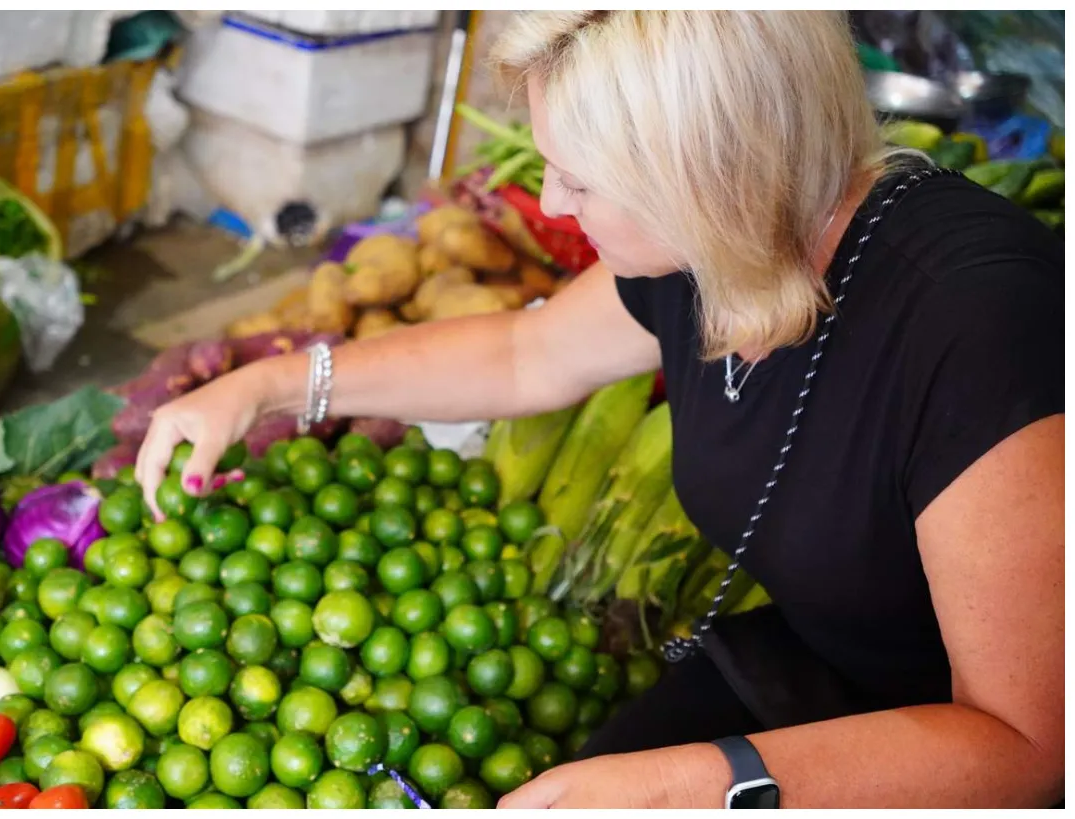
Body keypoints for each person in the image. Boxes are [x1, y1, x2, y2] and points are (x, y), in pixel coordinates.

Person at [136, 11, 1063, 809]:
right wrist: (273, 386)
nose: (548, 202)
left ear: (708, 178)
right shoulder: (718, 248)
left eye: (576, 181)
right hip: (812, 670)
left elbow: (1030, 749)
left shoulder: (978, 326)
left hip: (949, 744)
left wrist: (697, 784)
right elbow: (523, 354)